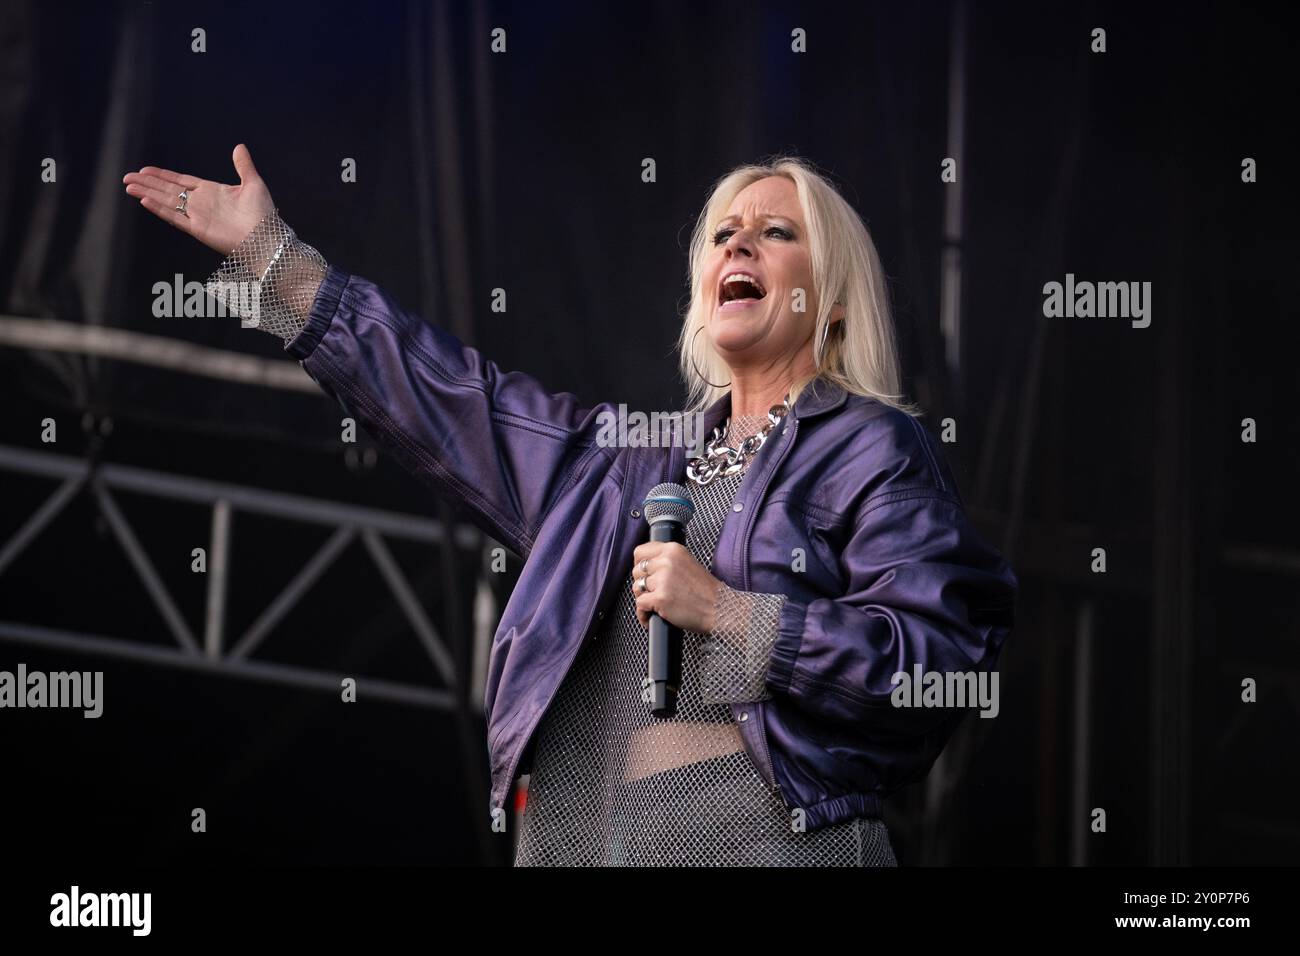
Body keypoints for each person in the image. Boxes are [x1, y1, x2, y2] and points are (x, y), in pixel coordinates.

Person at [123, 147, 1018, 866]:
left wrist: (734, 614)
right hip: (579, 845)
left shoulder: (866, 448)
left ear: (829, 304)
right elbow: (453, 397)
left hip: (765, 848)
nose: (737, 247)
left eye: (775, 233)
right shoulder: (624, 462)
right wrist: (277, 264)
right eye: (722, 235)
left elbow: (939, 662)